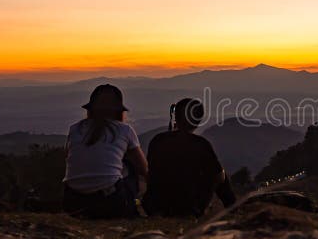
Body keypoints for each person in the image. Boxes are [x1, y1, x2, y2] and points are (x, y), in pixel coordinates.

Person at [63, 84, 148, 218]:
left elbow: (68, 158)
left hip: (72, 201)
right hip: (110, 203)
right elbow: (143, 169)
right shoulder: (124, 130)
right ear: (118, 111)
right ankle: (135, 205)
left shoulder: (75, 129)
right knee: (131, 166)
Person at [142, 98, 236, 216]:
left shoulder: (157, 140)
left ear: (176, 117)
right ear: (197, 121)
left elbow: (151, 172)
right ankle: (233, 207)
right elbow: (218, 177)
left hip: (154, 206)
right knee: (219, 173)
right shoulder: (201, 144)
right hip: (188, 209)